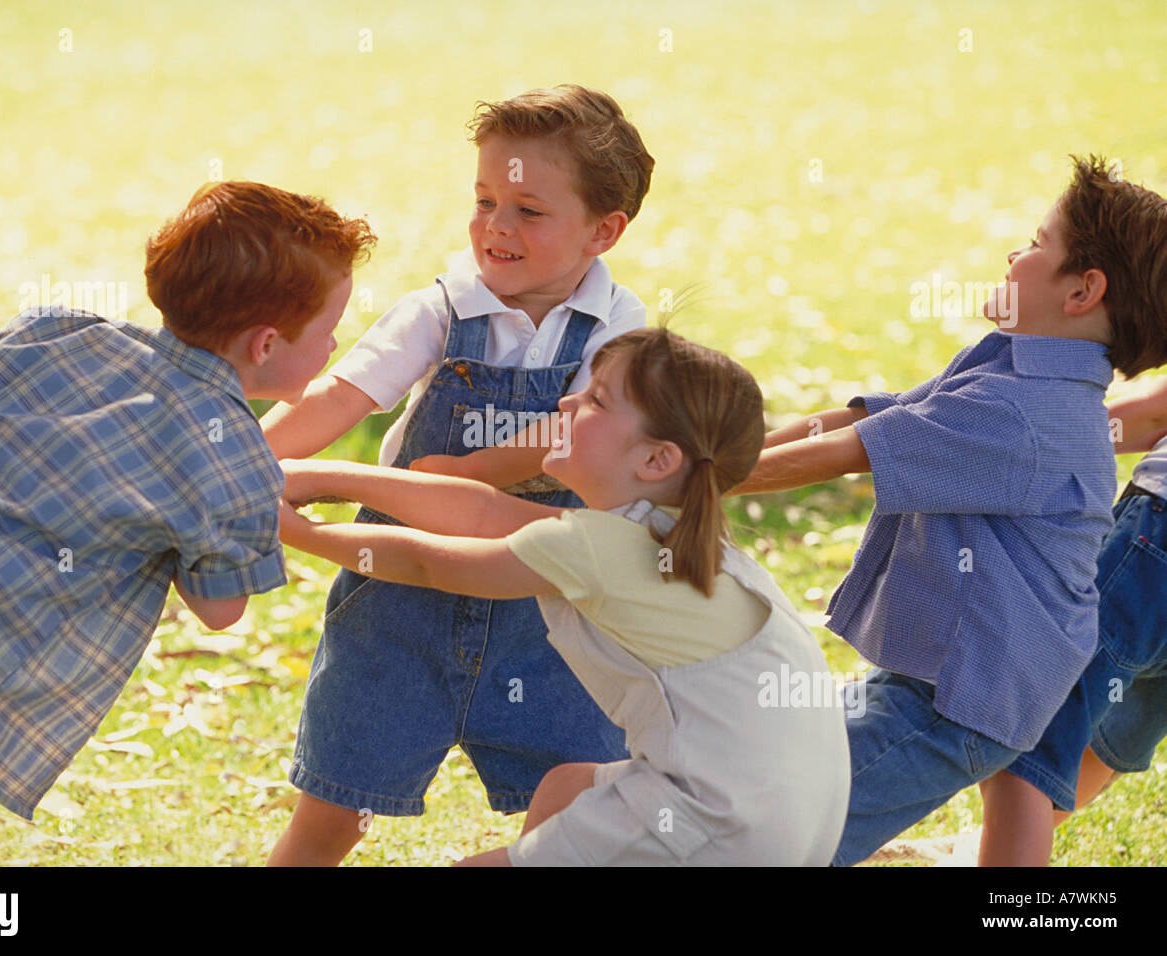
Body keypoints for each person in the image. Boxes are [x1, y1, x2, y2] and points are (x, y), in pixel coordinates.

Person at [0, 181, 375, 854]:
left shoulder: (64, 330)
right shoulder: (232, 465)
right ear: (266, 344)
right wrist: (254, 512)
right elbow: (221, 610)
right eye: (327, 330)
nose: (336, 342)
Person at [729, 156, 1167, 867]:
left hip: (954, 704)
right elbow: (859, 419)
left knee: (779, 832)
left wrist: (694, 481)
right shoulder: (1012, 363)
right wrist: (723, 453)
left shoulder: (1026, 413)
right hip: (931, 678)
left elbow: (847, 453)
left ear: (1083, 290)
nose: (1014, 254)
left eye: (1036, 243)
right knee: (765, 791)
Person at [275, 328, 850, 865]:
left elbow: (429, 560)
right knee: (566, 786)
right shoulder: (679, 537)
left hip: (711, 821)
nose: (567, 405)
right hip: (795, 817)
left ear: (656, 460)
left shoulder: (596, 547)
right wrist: (325, 476)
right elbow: (483, 510)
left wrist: (302, 534)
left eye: (597, 400)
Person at [261, 85, 655, 866]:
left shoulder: (620, 325)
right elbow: (342, 394)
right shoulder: (439, 309)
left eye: (528, 211)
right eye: (484, 200)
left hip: (550, 614)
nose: (496, 227)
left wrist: (474, 468)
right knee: (335, 804)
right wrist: (248, 466)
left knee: (574, 796)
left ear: (603, 231)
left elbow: (582, 426)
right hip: (401, 603)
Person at [977, 374, 1167, 865]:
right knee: (1116, 732)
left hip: (1157, 547)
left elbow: (1141, 415)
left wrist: (999, 441)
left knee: (1028, 737)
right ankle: (993, 848)